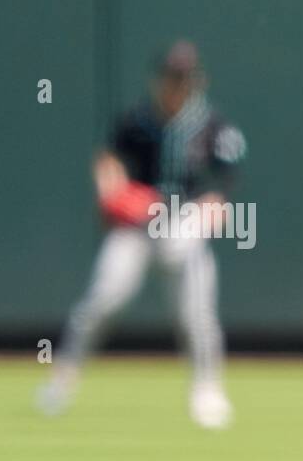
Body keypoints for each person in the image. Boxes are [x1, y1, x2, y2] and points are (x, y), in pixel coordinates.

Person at [37, 39, 245, 429]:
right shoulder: (136, 120)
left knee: (196, 317)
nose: (178, 85)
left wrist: (212, 208)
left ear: (197, 81)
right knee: (101, 302)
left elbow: (224, 180)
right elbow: (109, 161)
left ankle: (208, 393)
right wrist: (111, 191)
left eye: (185, 78)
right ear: (158, 79)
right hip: (137, 225)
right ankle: (61, 382)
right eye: (172, 77)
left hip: (184, 222)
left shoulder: (213, 124)